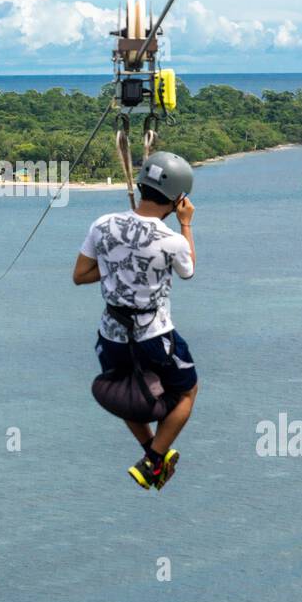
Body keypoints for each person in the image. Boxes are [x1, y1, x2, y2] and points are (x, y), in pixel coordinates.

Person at [73, 151, 197, 490]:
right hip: (153, 333)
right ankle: (154, 460)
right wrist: (185, 224)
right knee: (187, 391)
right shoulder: (172, 240)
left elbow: (80, 275)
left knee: (126, 389)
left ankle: (150, 454)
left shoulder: (102, 225)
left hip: (111, 332)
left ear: (140, 185)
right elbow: (188, 271)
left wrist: (119, 265)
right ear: (179, 198)